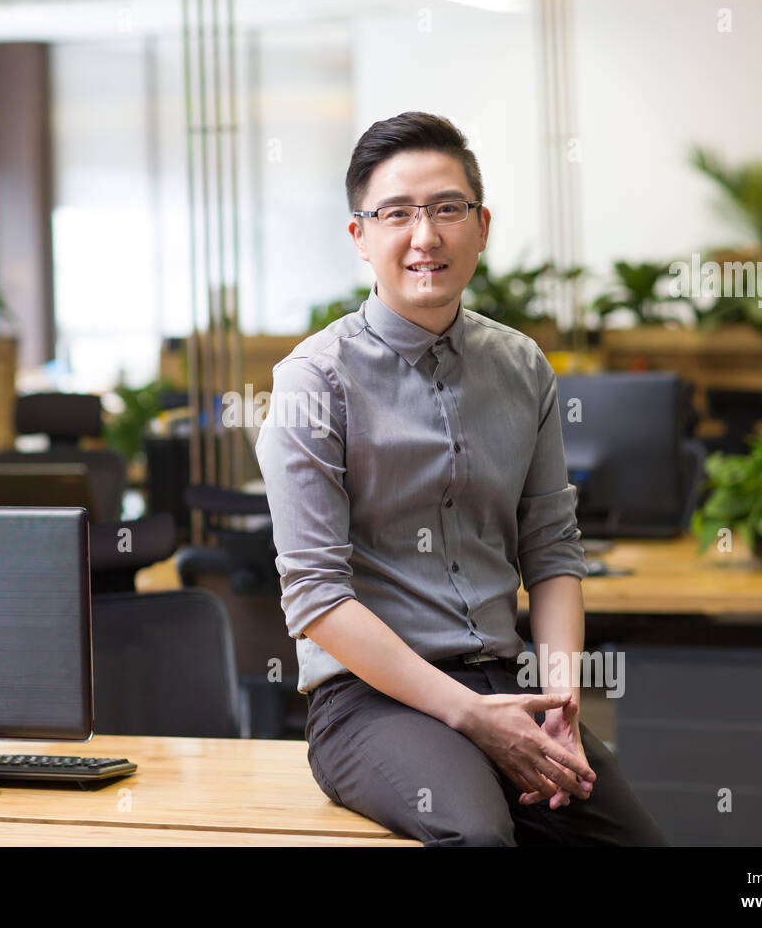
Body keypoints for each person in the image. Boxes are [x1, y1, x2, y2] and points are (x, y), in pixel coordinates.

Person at [254, 111, 667, 846]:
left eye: (447, 209)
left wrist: (561, 702)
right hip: (370, 702)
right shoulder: (314, 382)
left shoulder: (521, 366)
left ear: (480, 225)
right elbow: (315, 596)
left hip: (509, 684)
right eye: (397, 214)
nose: (426, 237)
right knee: (477, 838)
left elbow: (552, 550)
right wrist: (466, 714)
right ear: (360, 236)